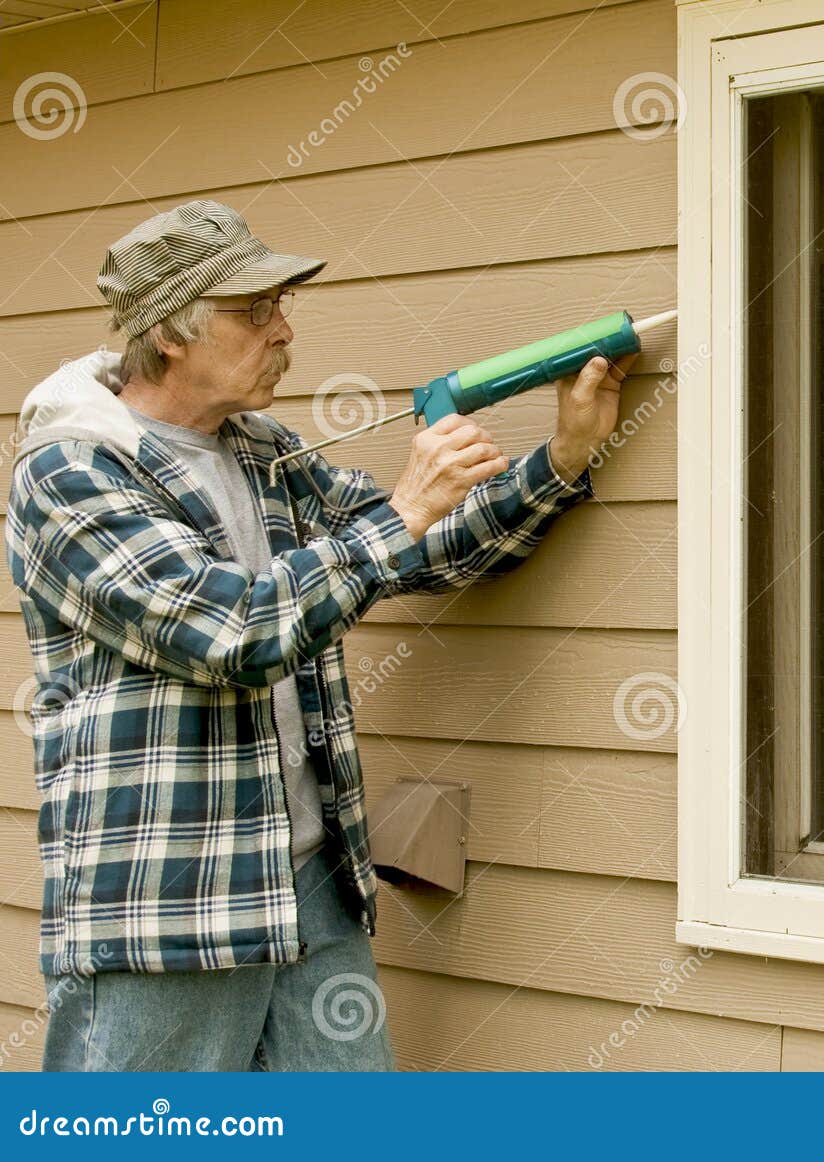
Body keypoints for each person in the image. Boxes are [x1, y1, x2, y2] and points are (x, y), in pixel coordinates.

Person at [4, 199, 632, 1070]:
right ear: (171, 333)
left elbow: (415, 550)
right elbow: (229, 630)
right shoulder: (71, 470)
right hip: (172, 905)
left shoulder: (264, 453)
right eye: (254, 311)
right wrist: (404, 511)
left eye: (282, 305)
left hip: (309, 880)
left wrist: (563, 456)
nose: (283, 329)